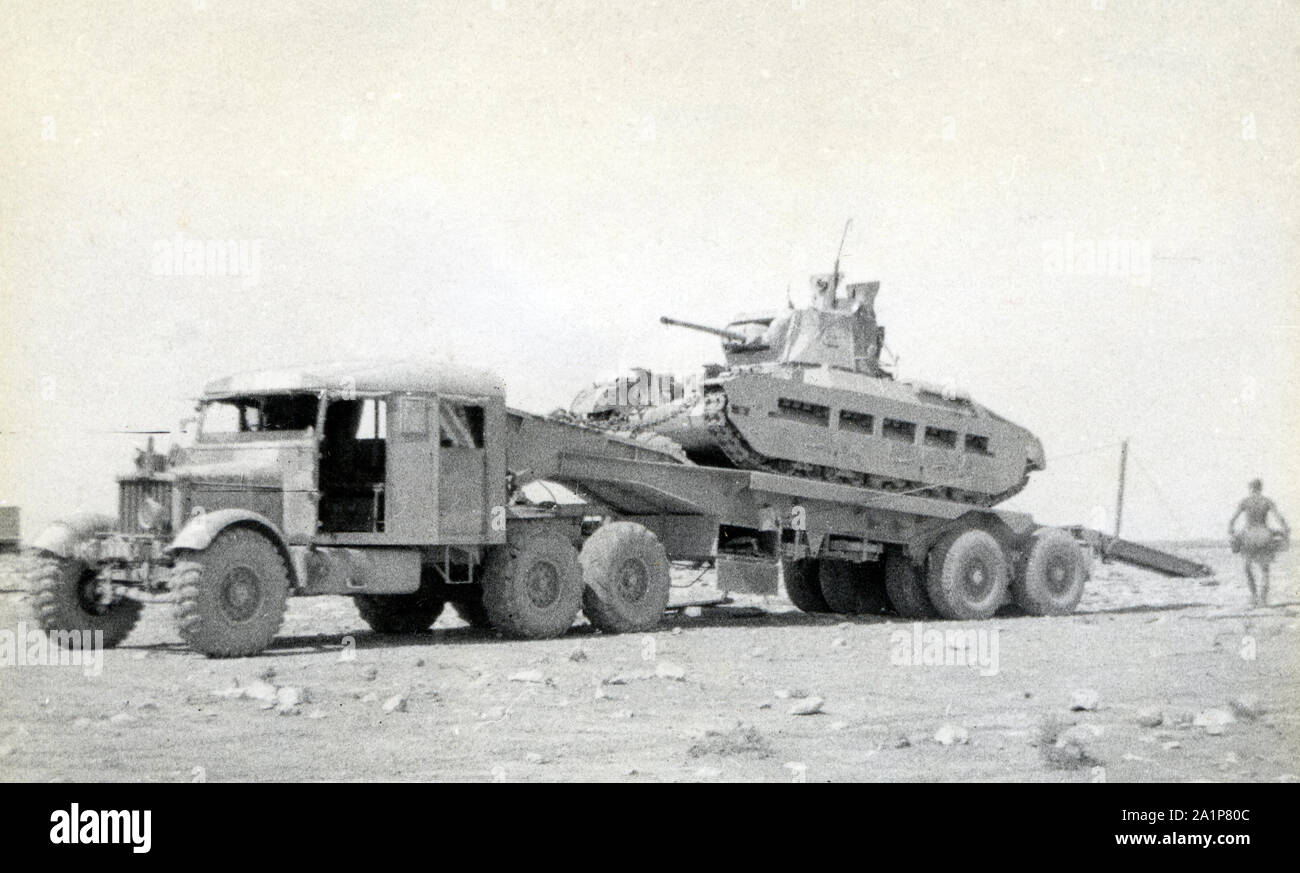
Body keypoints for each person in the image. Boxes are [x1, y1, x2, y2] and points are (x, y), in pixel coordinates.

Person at [1228, 479, 1290, 608]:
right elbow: (1279, 518)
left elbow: (1232, 521)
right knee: (1265, 569)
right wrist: (1285, 530)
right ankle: (1263, 600)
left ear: (1250, 488)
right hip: (1264, 534)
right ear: (1261, 488)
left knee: (1247, 567)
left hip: (1248, 535)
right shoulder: (1267, 501)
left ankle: (1254, 597)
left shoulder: (1245, 502)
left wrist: (1232, 532)